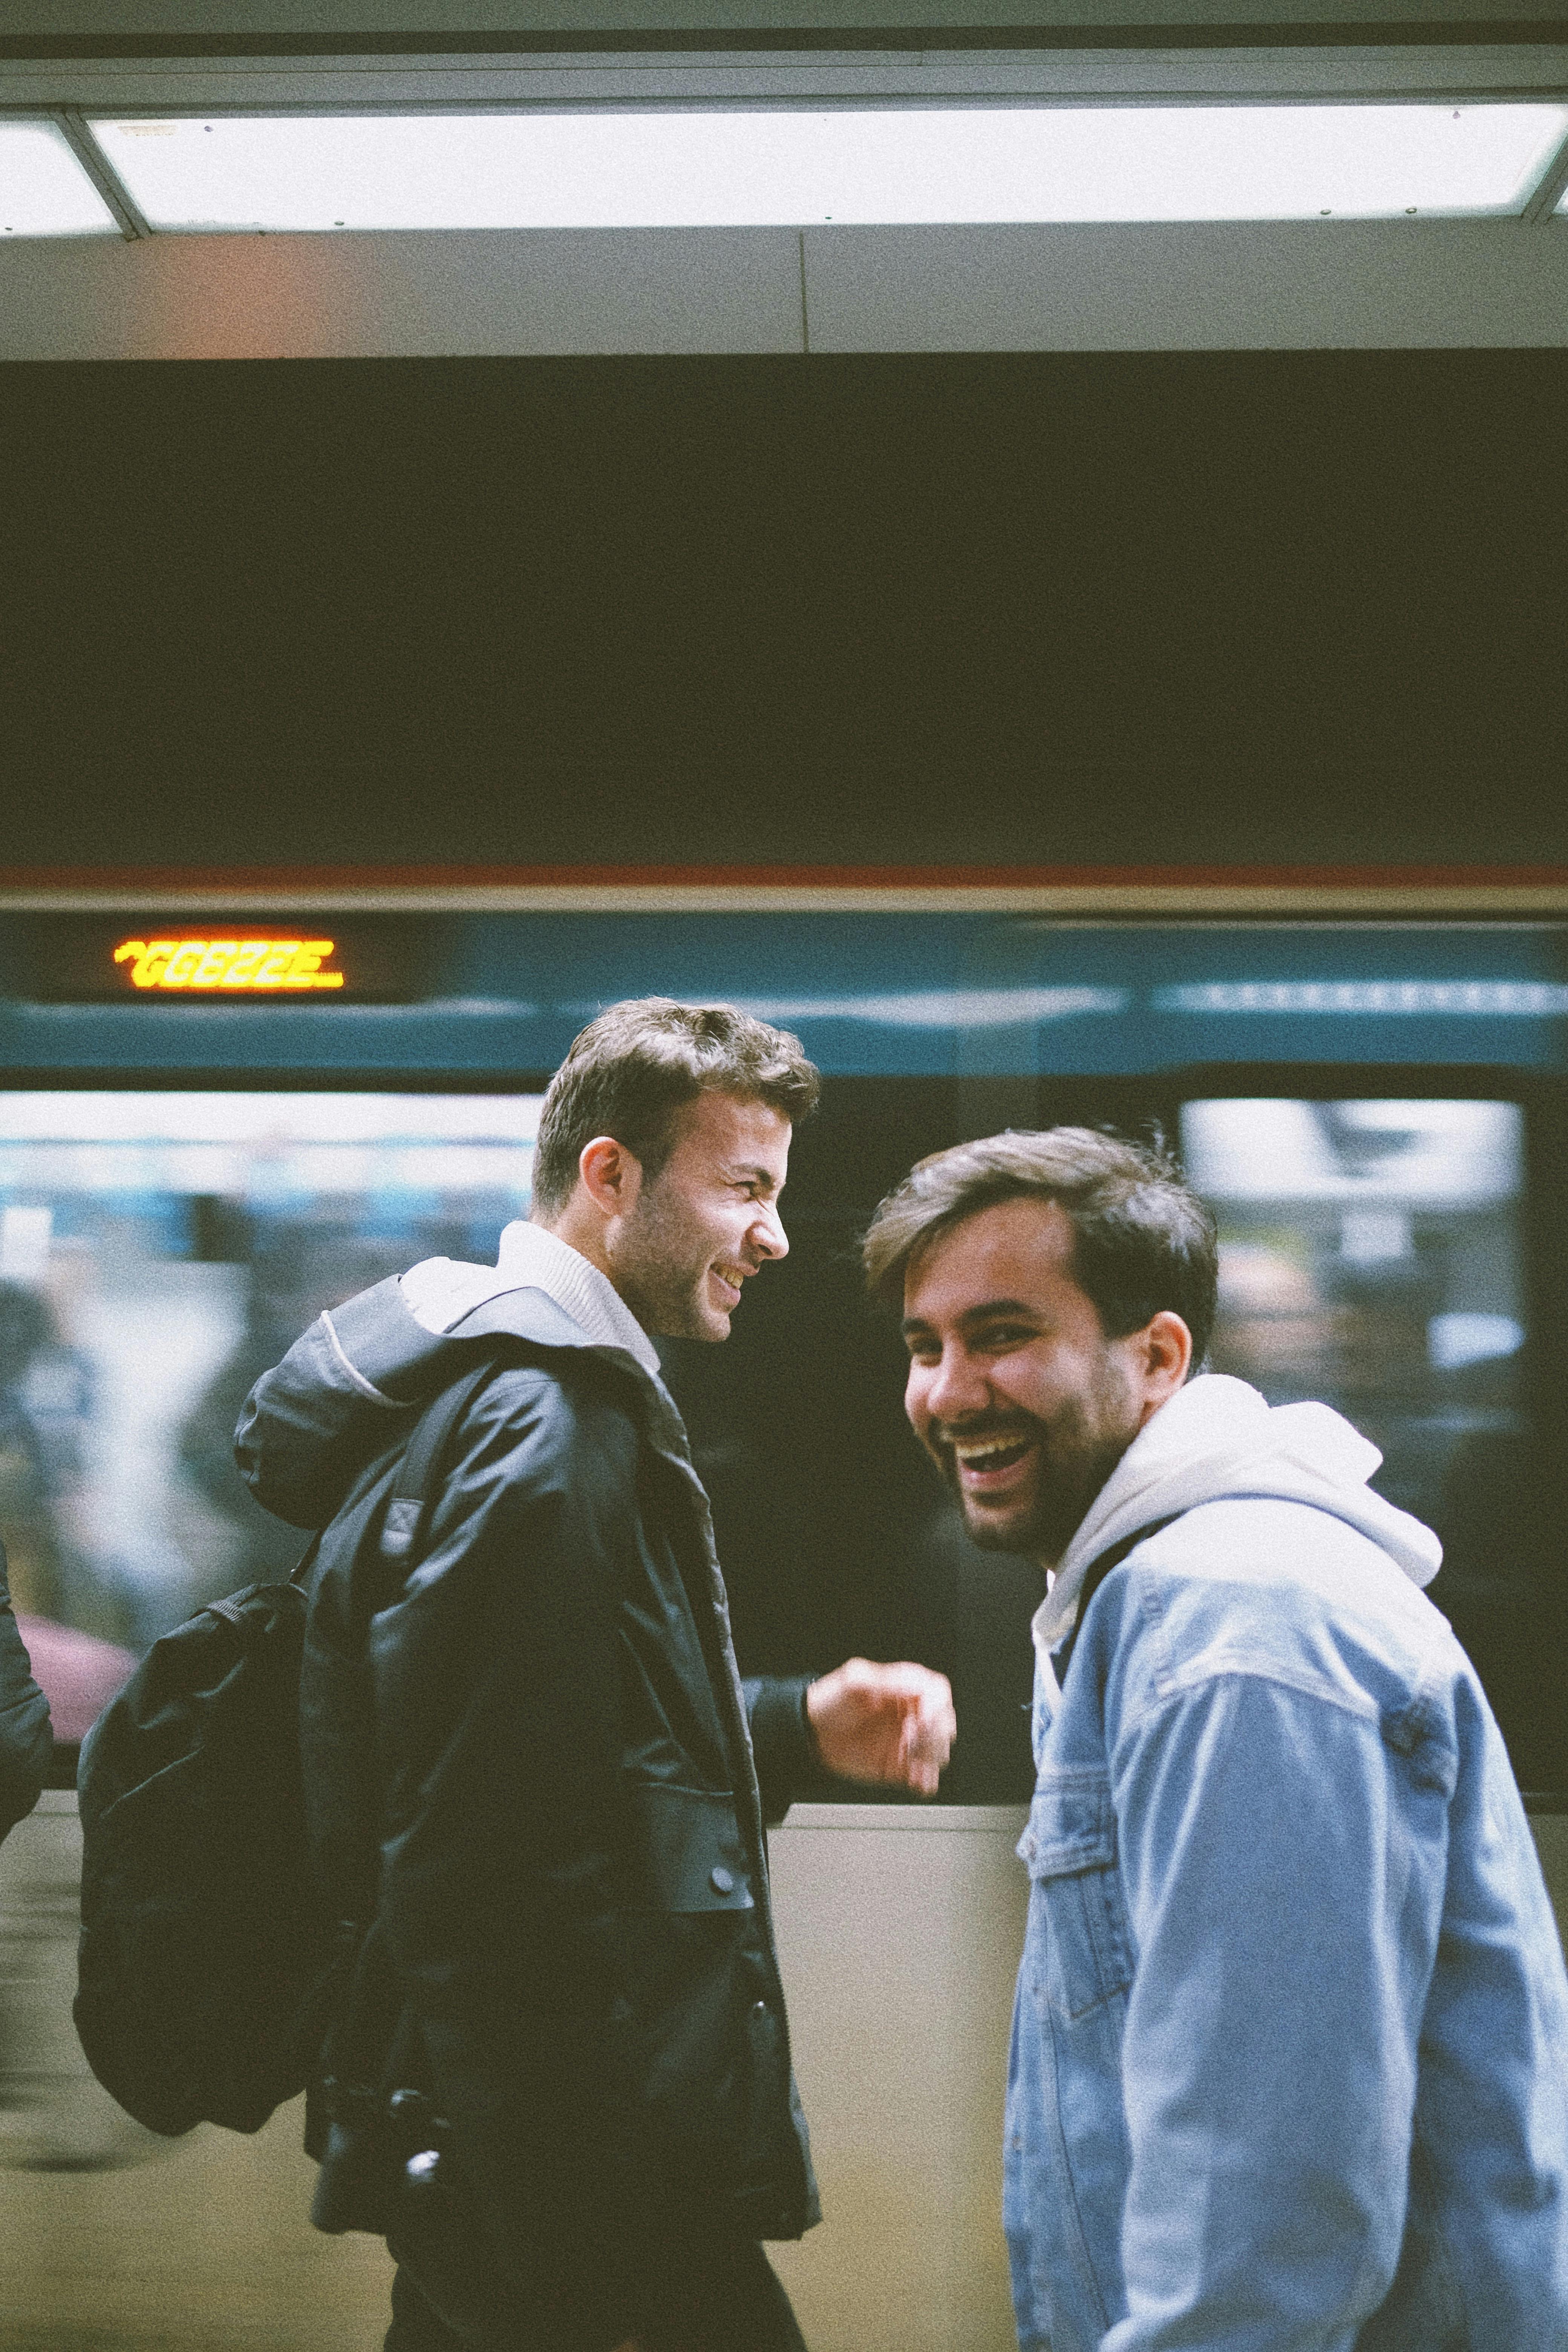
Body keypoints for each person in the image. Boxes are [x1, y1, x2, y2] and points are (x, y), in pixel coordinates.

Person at [235, 999, 955, 2352]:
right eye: (745, 1186)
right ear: (609, 1177)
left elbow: (564, 1740)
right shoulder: (544, 1428)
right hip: (579, 2143)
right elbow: (482, 1847)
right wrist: (576, 2231)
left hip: (532, 2134)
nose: (777, 1235)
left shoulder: (537, 1400)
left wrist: (793, 1729)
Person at [863, 1125, 1568, 2352]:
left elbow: (1267, 2213)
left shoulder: (1236, 1638)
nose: (947, 1392)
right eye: (926, 1346)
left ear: (1157, 1355)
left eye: (1004, 1334)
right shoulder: (1147, 1598)